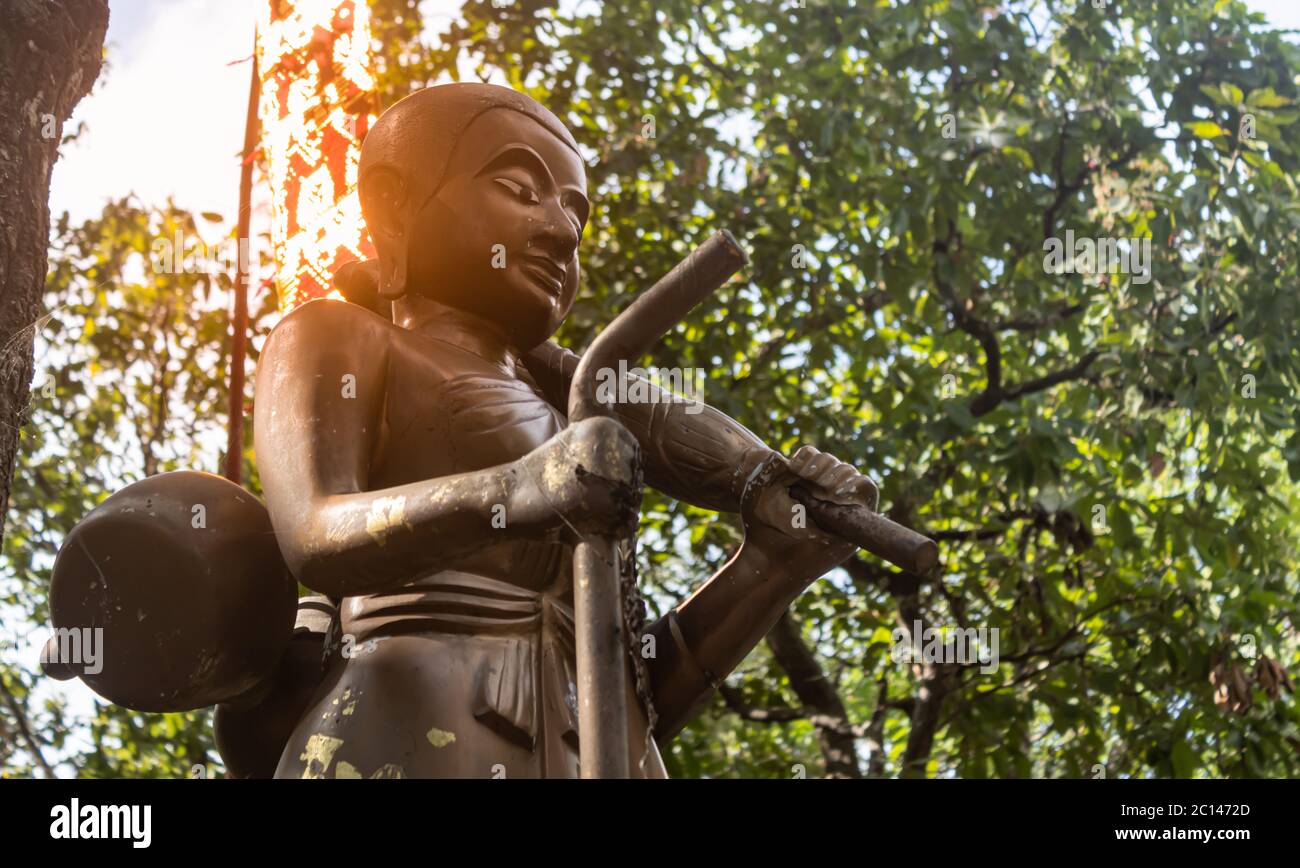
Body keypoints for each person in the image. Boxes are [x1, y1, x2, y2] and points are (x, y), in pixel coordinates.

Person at [255, 82, 878, 778]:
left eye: (574, 211)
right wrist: (517, 489)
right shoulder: (342, 337)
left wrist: (770, 567)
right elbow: (314, 534)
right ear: (396, 203)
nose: (561, 229)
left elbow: (636, 702)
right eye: (520, 189)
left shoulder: (568, 410)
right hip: (405, 737)